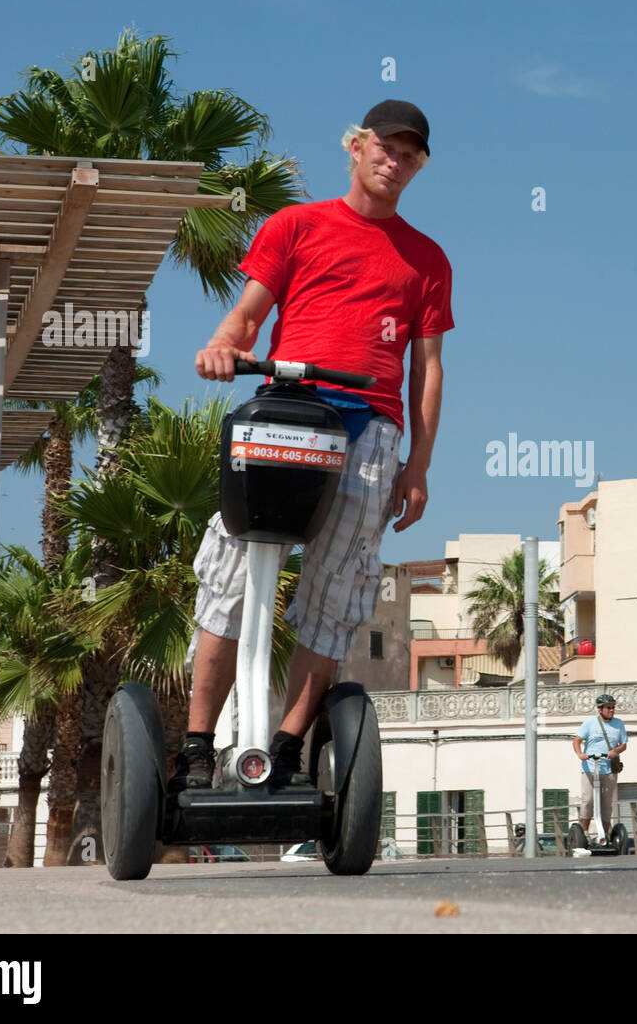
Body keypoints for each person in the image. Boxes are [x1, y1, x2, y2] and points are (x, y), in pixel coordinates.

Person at [170, 100, 454, 791]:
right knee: (232, 577)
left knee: (335, 596)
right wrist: (220, 347)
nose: (396, 160)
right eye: (386, 146)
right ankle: (198, 746)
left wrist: (418, 466)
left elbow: (429, 367)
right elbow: (246, 315)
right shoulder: (297, 225)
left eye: (410, 154)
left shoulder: (427, 259)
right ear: (355, 147)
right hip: (288, 412)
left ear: (418, 167)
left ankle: (288, 748)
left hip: (372, 429)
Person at [573, 694, 627, 838]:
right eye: (608, 707)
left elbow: (623, 745)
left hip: (609, 769)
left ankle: (604, 835)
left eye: (613, 707)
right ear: (600, 709)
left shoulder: (619, 724)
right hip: (590, 768)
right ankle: (584, 833)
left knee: (606, 804)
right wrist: (580, 754)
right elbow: (577, 740)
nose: (611, 710)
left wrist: (614, 751)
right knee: (588, 801)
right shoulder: (589, 723)